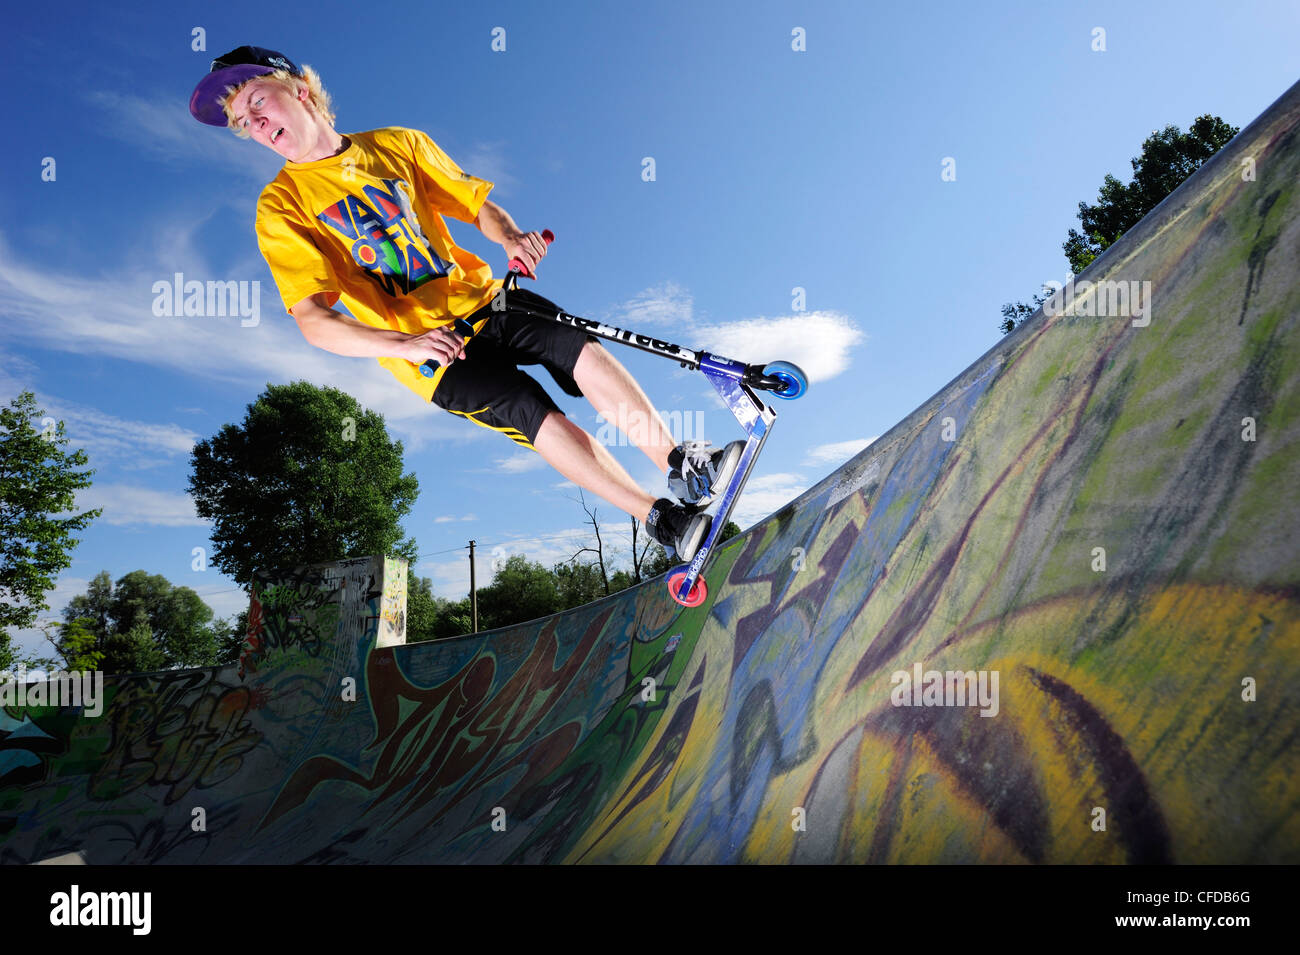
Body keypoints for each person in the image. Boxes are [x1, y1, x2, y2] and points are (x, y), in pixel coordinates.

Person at [189, 46, 742, 562]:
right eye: (243, 121)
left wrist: (509, 237)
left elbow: (476, 204)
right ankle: (661, 521)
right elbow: (314, 320)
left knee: (579, 349)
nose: (255, 123)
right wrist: (405, 342)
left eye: (257, 100)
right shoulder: (280, 207)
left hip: (488, 299)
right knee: (532, 412)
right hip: (432, 356)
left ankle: (682, 465)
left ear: (302, 90)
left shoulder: (398, 144)